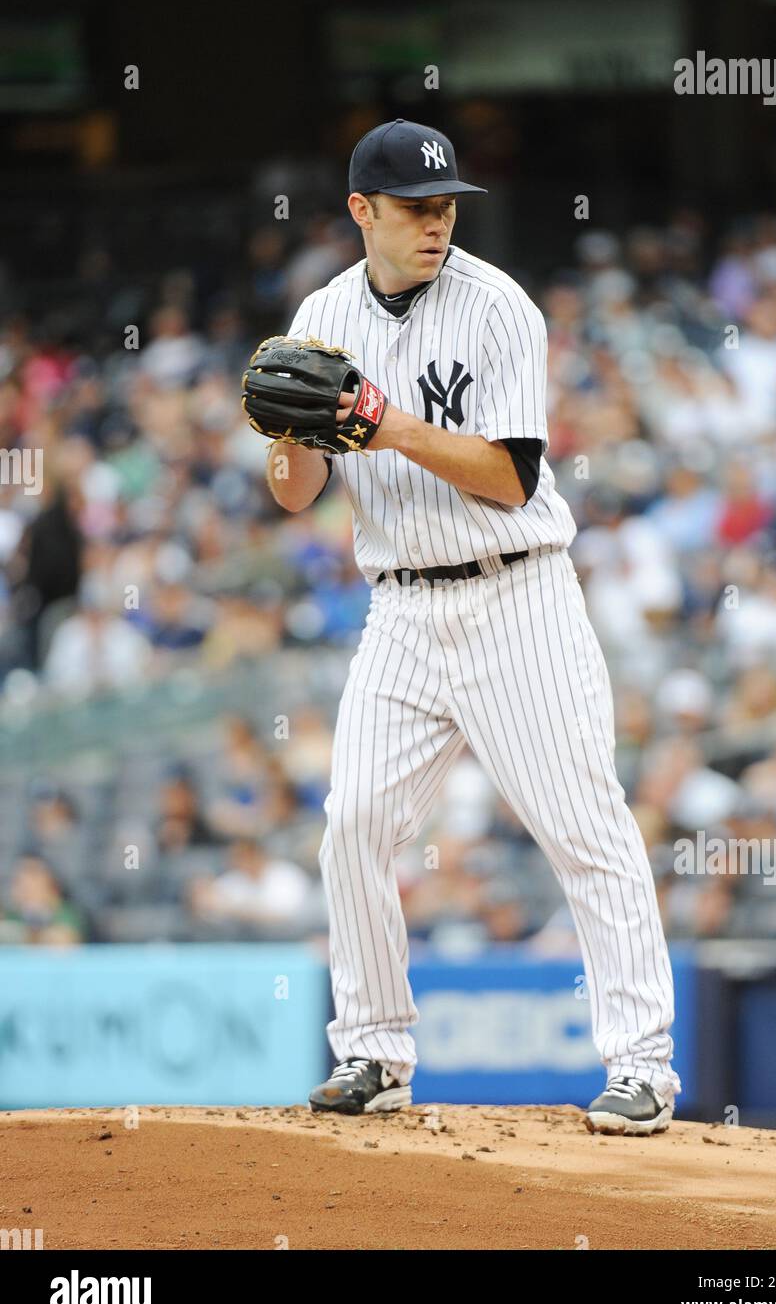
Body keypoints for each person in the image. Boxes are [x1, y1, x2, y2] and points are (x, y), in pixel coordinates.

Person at [265, 119, 681, 1133]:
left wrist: (379, 420)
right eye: (413, 207)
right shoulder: (319, 315)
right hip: (401, 605)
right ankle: (373, 1050)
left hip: (514, 592)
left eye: (445, 204)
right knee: (353, 822)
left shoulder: (498, 308)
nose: (435, 222)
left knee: (582, 826)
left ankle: (643, 1066)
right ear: (361, 212)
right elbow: (293, 494)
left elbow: (508, 477)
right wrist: (285, 435)